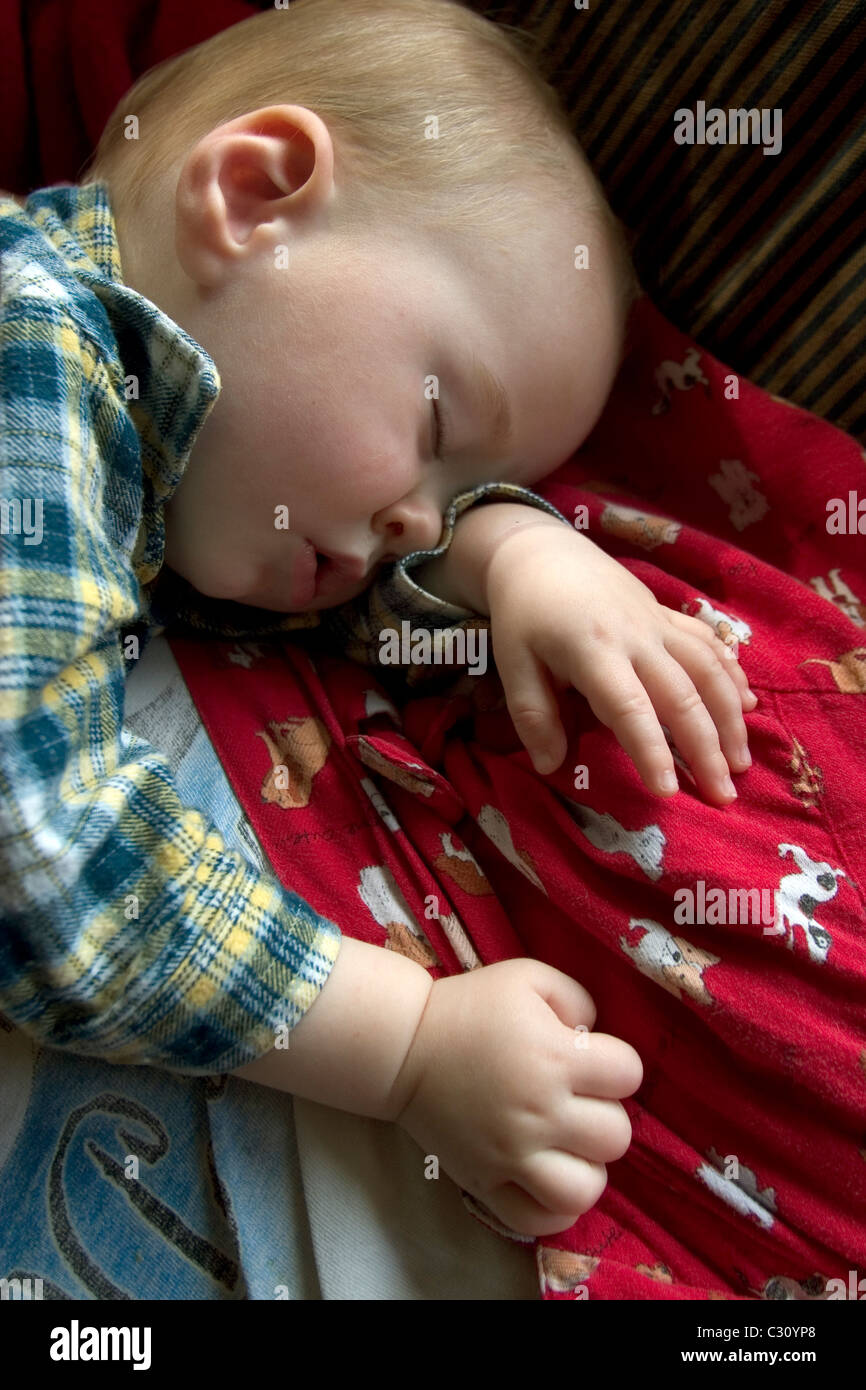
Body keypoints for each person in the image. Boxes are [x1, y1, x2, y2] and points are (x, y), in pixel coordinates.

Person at [0, 0, 754, 1246]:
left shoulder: (177, 468)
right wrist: (402, 1041)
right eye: (437, 425)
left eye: (453, 494)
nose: (419, 520)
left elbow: (262, 588)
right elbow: (39, 855)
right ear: (252, 199)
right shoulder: (32, 343)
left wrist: (512, 552)